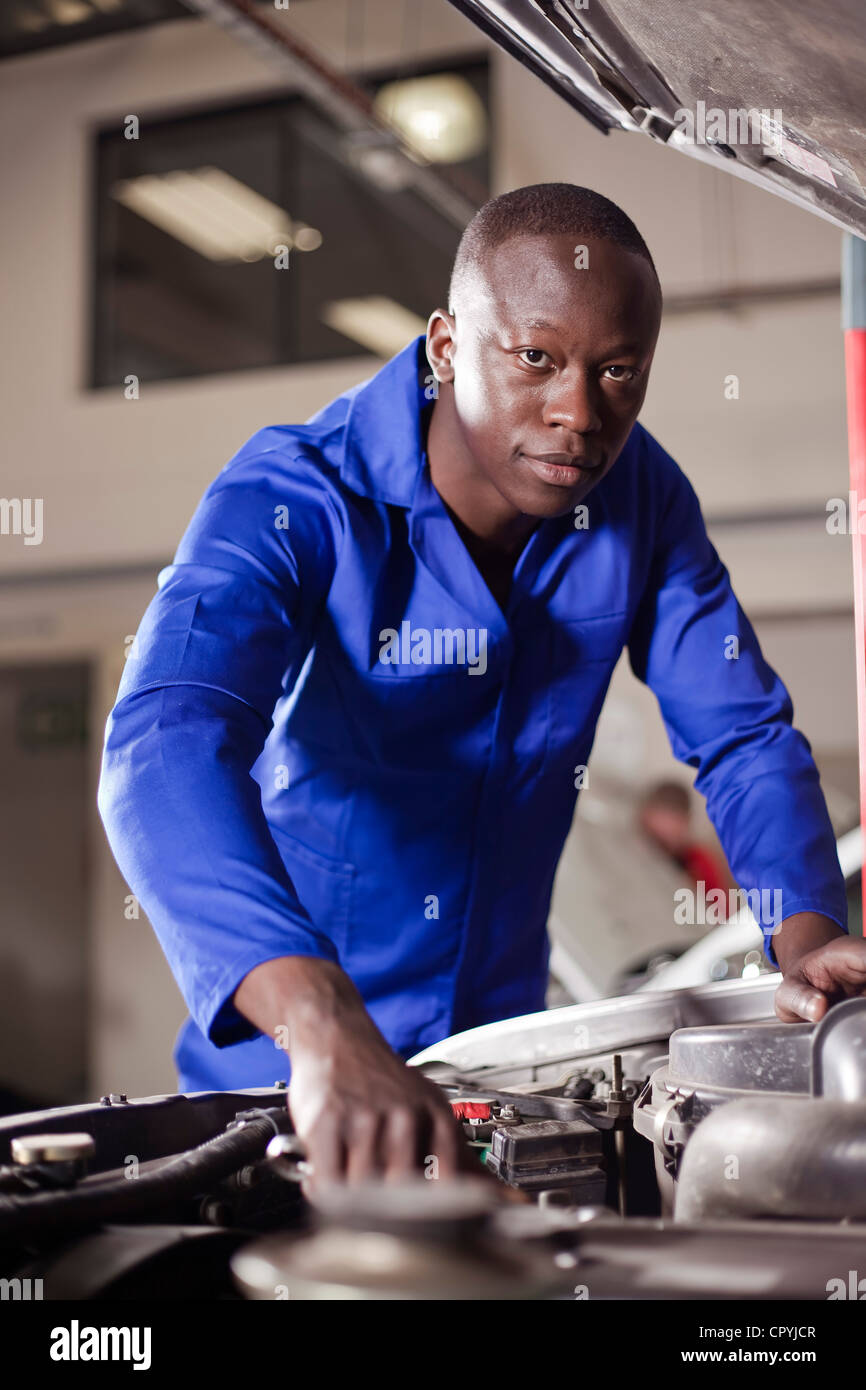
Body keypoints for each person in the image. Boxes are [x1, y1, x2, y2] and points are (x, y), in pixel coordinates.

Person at [98, 183, 864, 1186]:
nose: (577, 413)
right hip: (288, 1068)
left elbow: (740, 734)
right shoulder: (292, 497)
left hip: (507, 1067)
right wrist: (318, 1017)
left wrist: (803, 931)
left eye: (617, 371)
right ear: (447, 344)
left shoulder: (637, 498)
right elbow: (164, 742)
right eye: (535, 357)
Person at [638, 779, 731, 912]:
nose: (658, 852)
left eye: (664, 845)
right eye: (653, 838)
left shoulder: (701, 866)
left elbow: (724, 920)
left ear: (684, 825)